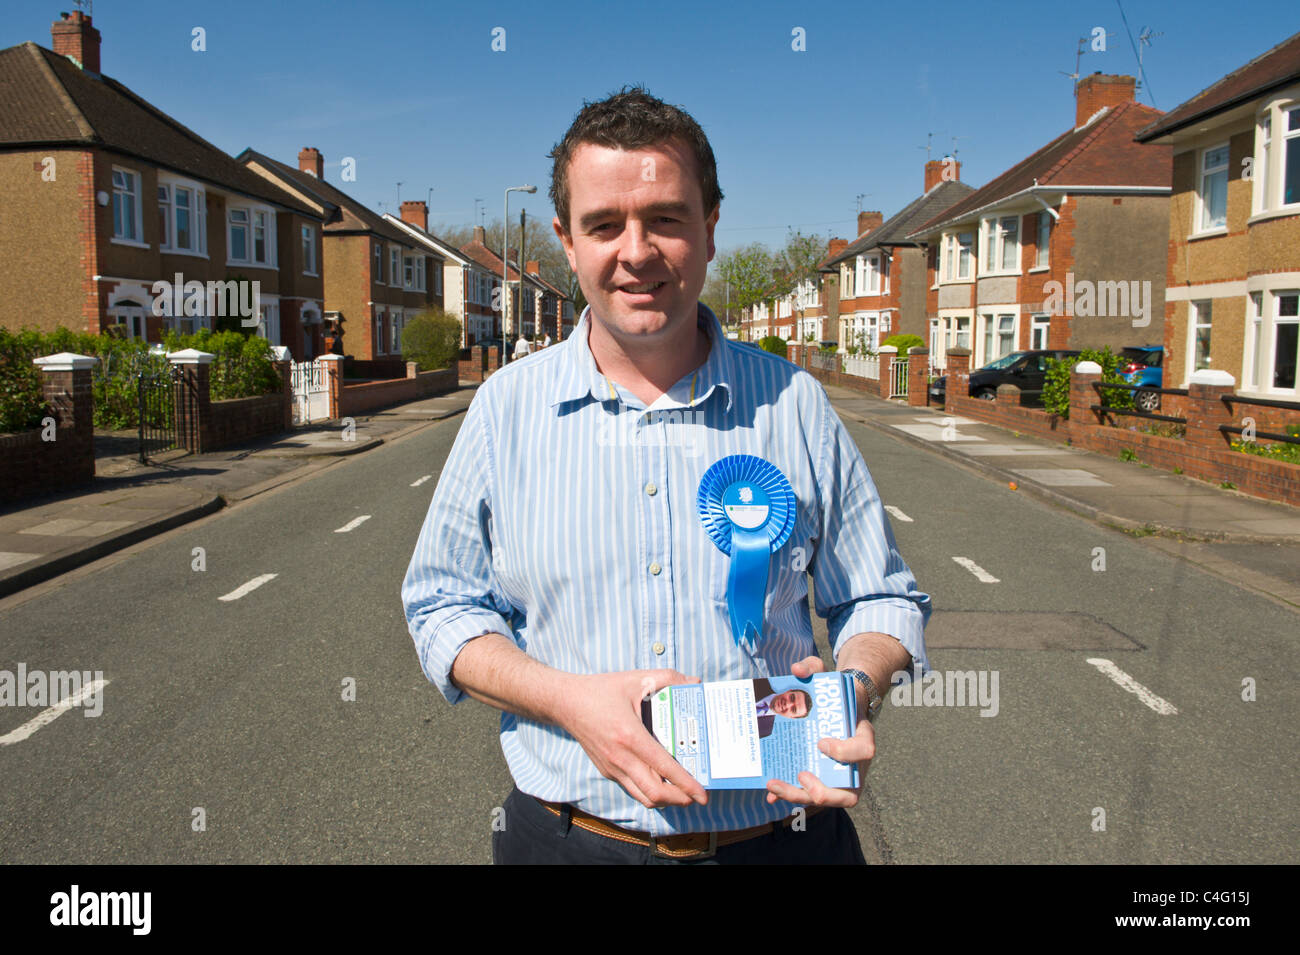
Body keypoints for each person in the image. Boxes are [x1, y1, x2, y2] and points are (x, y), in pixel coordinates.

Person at [402, 87, 930, 865]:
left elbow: (880, 594)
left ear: (711, 230)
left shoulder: (796, 406)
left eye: (666, 219)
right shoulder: (502, 410)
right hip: (569, 841)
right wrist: (569, 701)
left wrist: (854, 679)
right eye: (605, 224)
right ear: (567, 241)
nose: (637, 250)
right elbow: (441, 604)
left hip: (781, 842)